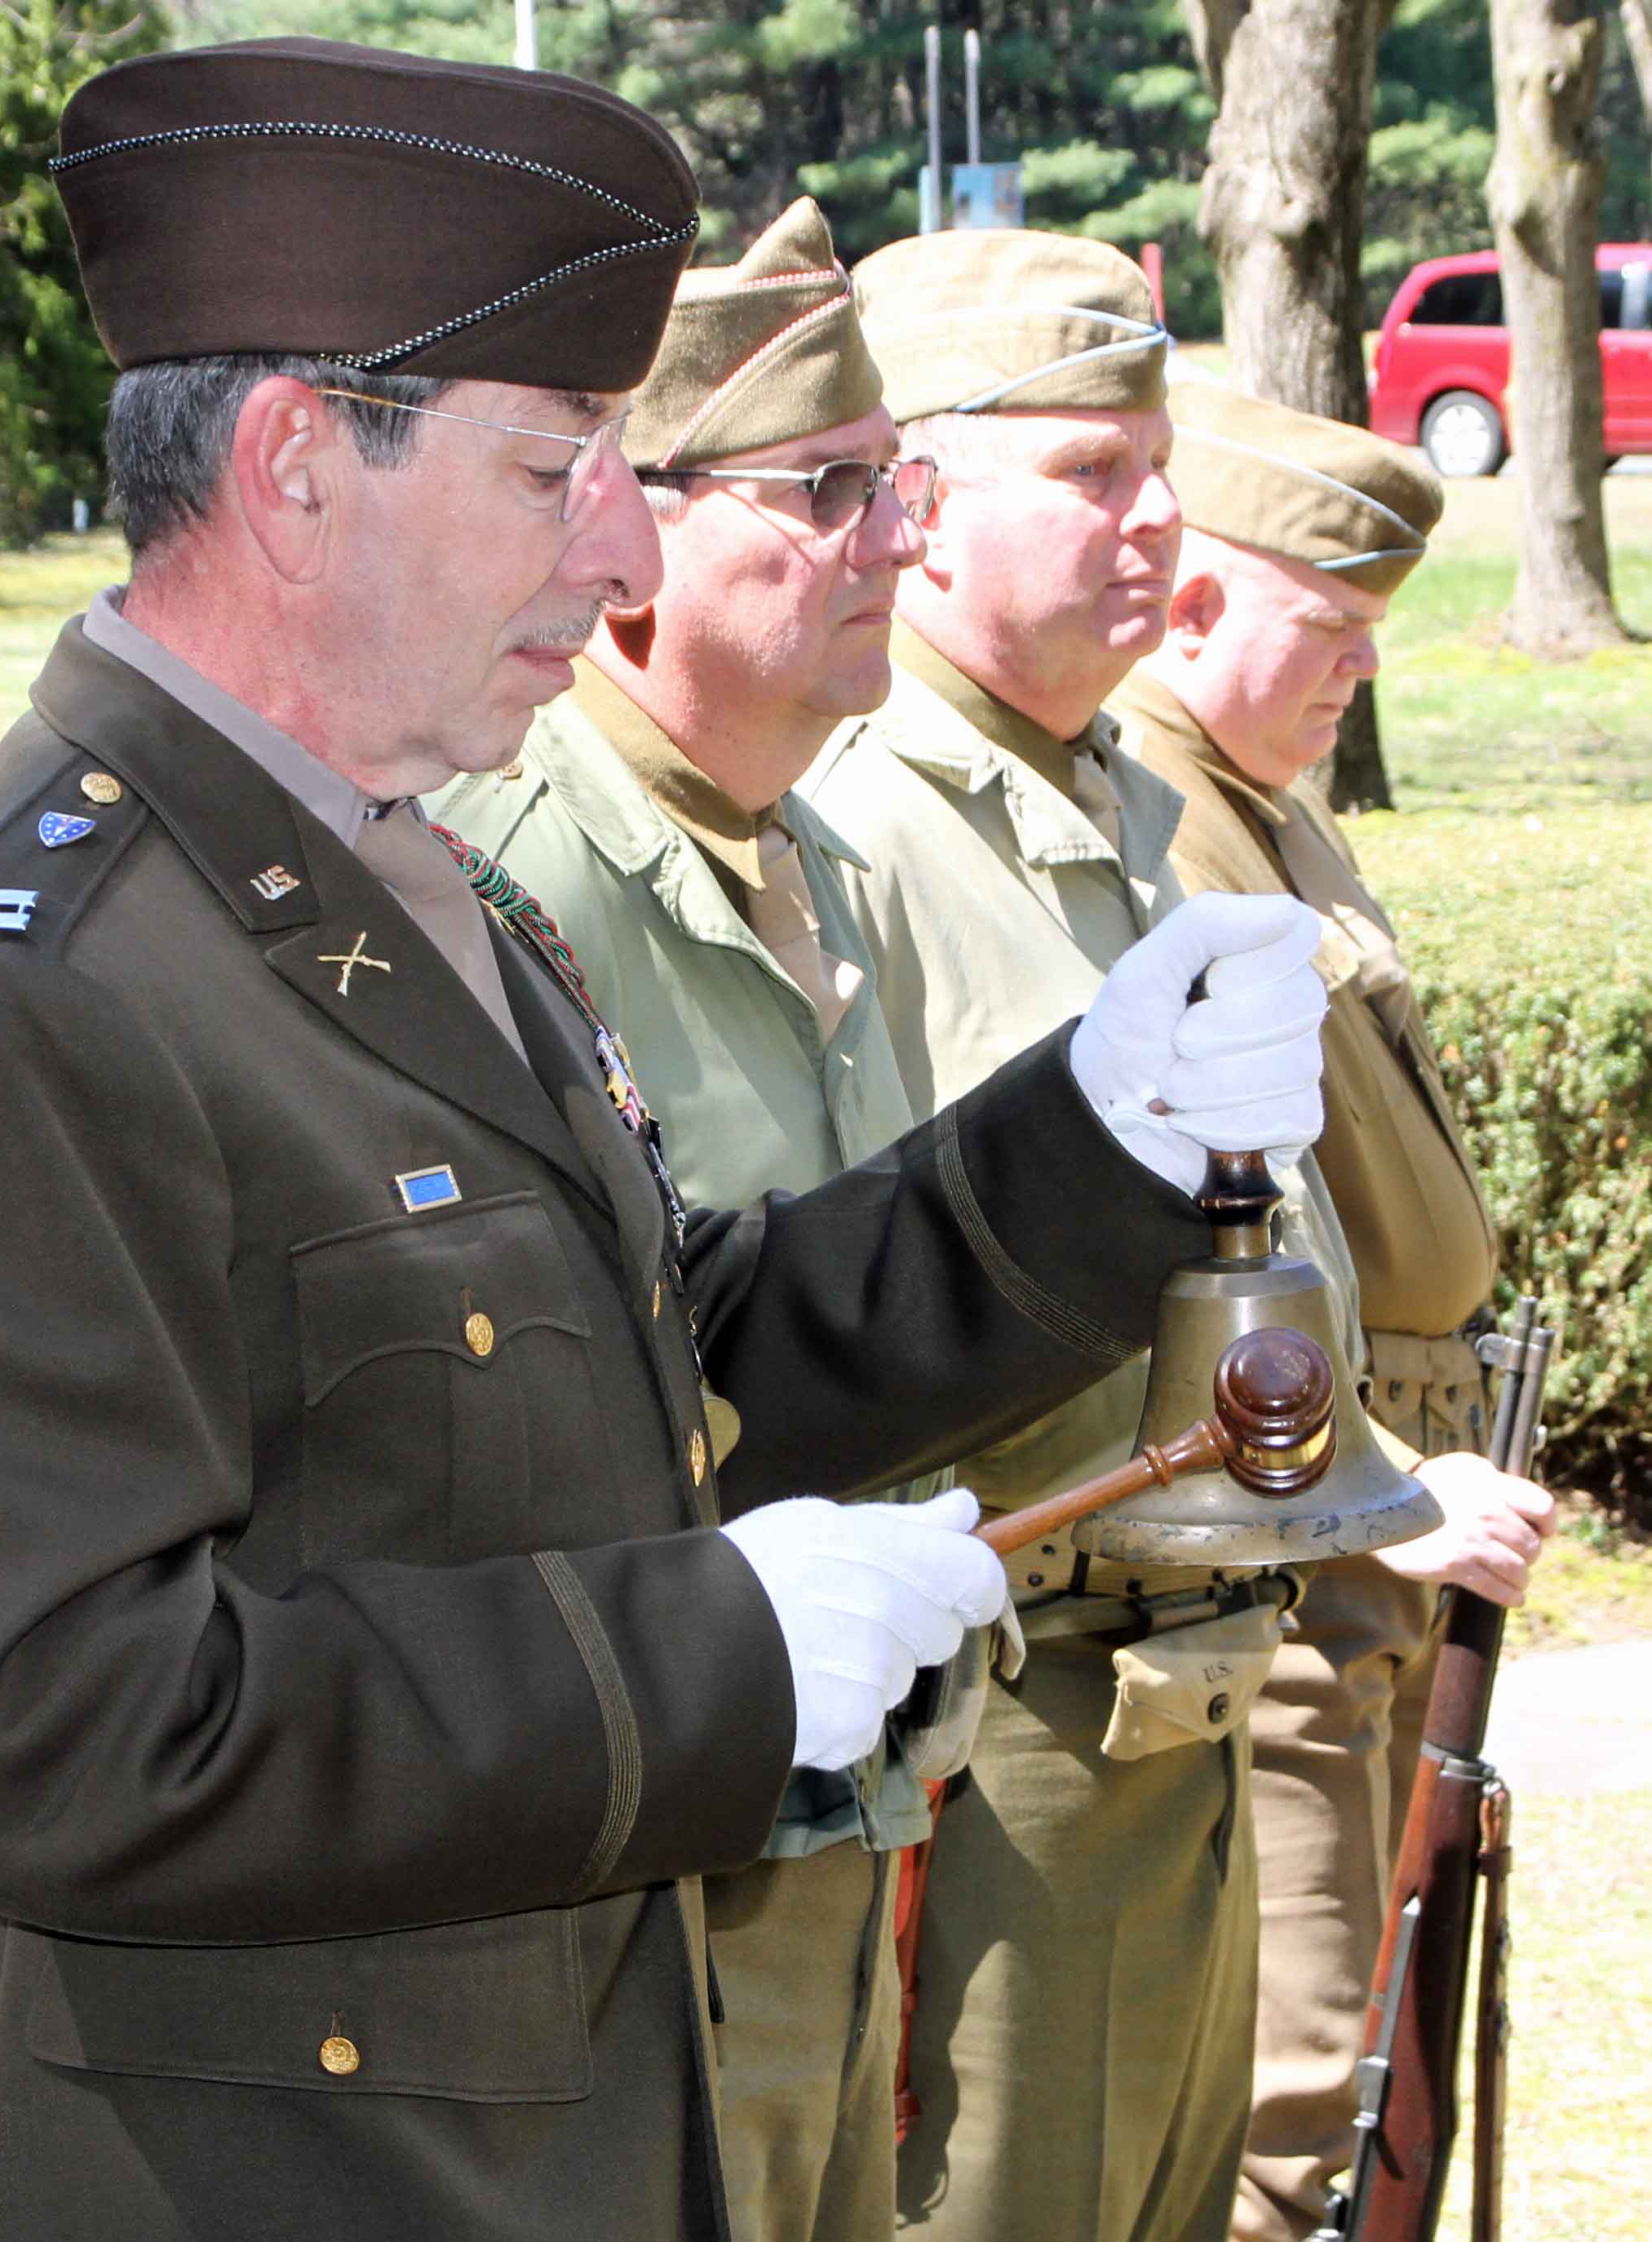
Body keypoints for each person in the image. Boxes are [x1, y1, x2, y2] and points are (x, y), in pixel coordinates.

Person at [0, 41, 1331, 2242]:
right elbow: (57, 1725)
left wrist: (1091, 1140)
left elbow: (658, 1367)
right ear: (297, 467)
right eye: (558, 459)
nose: (629, 536)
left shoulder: (396, 871)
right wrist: (710, 1659)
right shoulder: (35, 993)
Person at [799, 228, 1378, 2242]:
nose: (1154, 522)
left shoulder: (1119, 791)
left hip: (1184, 1692)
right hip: (1005, 1724)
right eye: (1088, 472)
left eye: (1159, 468)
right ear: (923, 499)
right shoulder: (856, 816)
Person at [439, 197, 968, 2242]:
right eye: (825, 491)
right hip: (639, 1875)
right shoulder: (501, 877)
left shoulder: (822, 863)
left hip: (843, 1831)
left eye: (891, 481)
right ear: (635, 534)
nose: (891, 538)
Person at [1108, 380, 1557, 2242]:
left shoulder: (1262, 816)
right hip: (1311, 1534)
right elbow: (1209, 1238)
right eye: (1329, 624)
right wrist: (1372, 1475)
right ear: (1197, 602)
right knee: (1296, 2094)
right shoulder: (1161, 829)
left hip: (1377, 1521)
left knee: (1374, 2047)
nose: (1359, 668)